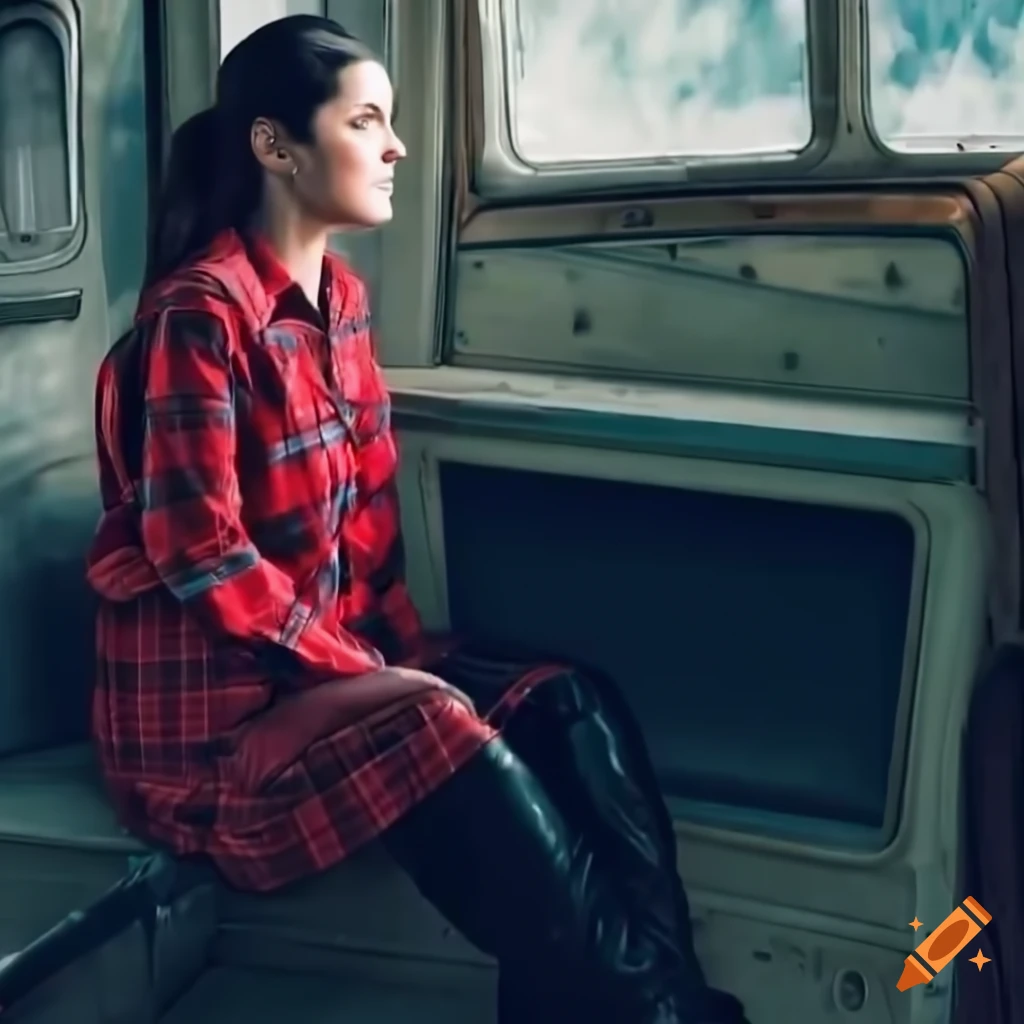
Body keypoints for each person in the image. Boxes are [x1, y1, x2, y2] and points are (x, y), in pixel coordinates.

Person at [85, 16, 748, 1024]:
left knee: (569, 698)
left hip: (312, 674)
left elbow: (367, 540)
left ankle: (666, 1006)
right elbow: (200, 550)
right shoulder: (201, 315)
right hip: (214, 734)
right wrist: (370, 680)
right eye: (365, 121)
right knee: (439, 720)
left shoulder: (342, 303)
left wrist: (386, 659)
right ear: (275, 147)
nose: (395, 147)